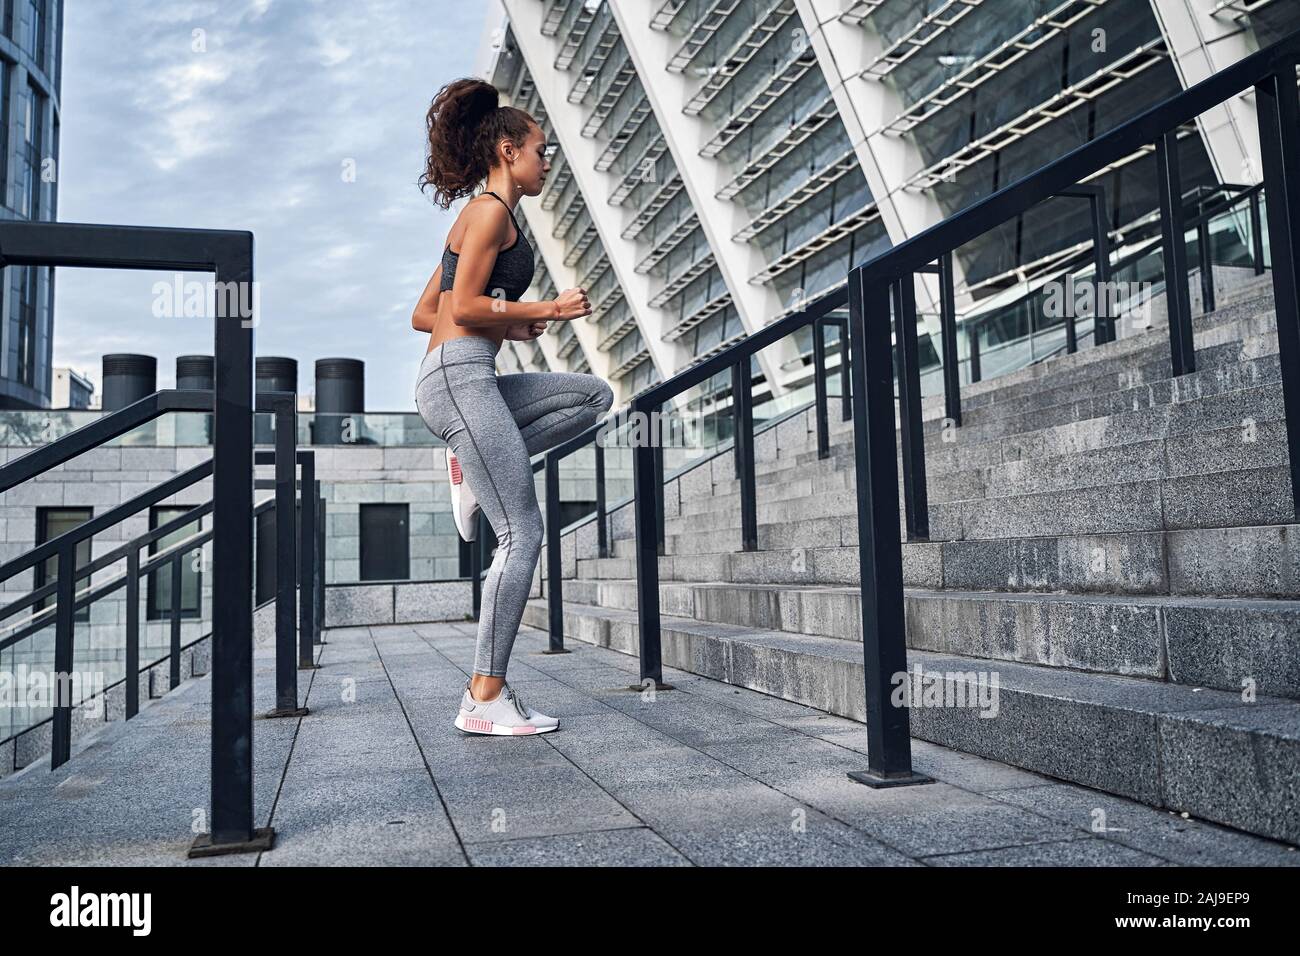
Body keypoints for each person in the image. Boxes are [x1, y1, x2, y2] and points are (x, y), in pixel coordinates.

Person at [411, 77, 614, 736]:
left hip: (469, 375)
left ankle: (471, 468)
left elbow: (428, 312)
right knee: (522, 533)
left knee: (591, 396)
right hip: (460, 380)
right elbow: (461, 308)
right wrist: (544, 309)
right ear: (506, 151)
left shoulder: (480, 216)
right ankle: (484, 696)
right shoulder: (491, 211)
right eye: (539, 150)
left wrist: (511, 324)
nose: (546, 161)